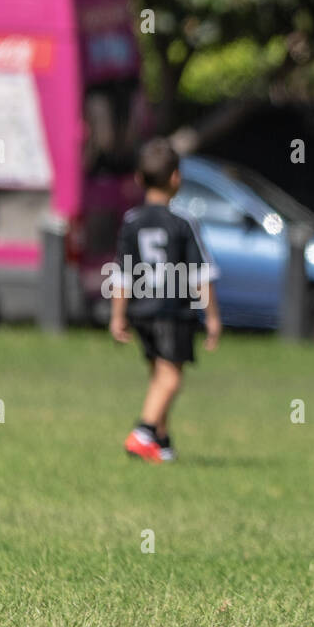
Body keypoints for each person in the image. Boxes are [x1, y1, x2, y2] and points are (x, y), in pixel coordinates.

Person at [109, 138, 221, 462]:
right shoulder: (183, 223)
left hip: (141, 310)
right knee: (171, 377)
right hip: (172, 311)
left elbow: (122, 274)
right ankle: (143, 431)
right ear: (177, 178)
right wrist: (212, 317)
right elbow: (202, 274)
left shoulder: (131, 220)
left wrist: (118, 316)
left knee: (159, 375)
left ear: (138, 179)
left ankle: (161, 442)